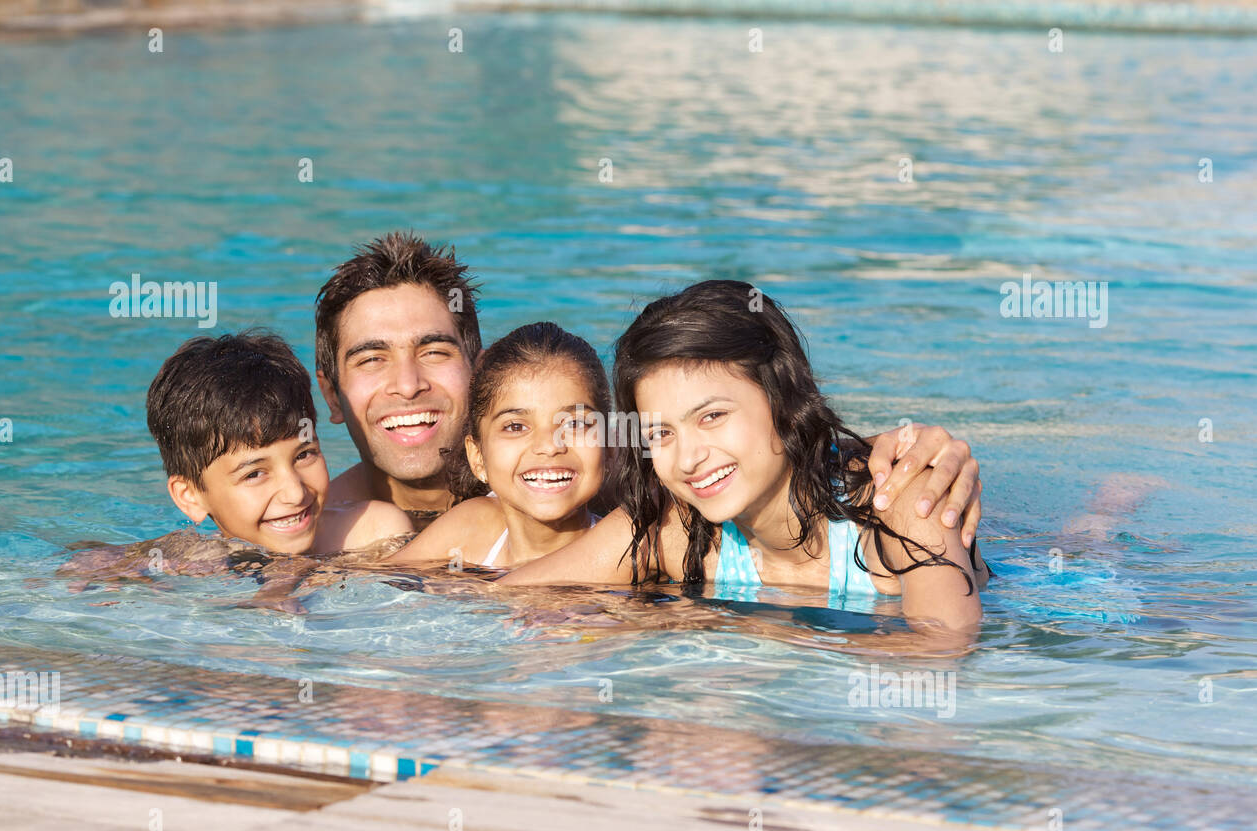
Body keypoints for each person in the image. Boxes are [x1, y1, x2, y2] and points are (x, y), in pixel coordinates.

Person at [313, 233, 985, 542]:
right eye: (371, 360)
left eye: (433, 351)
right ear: (332, 393)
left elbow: (751, 447)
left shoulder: (592, 470)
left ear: (479, 364)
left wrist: (901, 452)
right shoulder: (318, 527)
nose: (408, 385)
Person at [500, 281, 987, 639]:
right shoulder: (679, 532)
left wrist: (759, 630)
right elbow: (510, 598)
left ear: (782, 399)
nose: (689, 458)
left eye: (712, 416)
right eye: (660, 432)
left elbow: (942, 650)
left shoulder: (901, 501)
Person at [61, 332, 413, 588]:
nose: (294, 492)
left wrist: (292, 575)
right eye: (255, 474)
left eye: (304, 455)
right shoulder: (198, 553)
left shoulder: (373, 532)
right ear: (190, 497)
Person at [388, 322, 609, 568]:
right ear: (478, 458)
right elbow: (378, 585)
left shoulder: (627, 555)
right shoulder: (472, 528)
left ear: (609, 445)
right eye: (515, 427)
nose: (549, 445)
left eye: (574, 424)